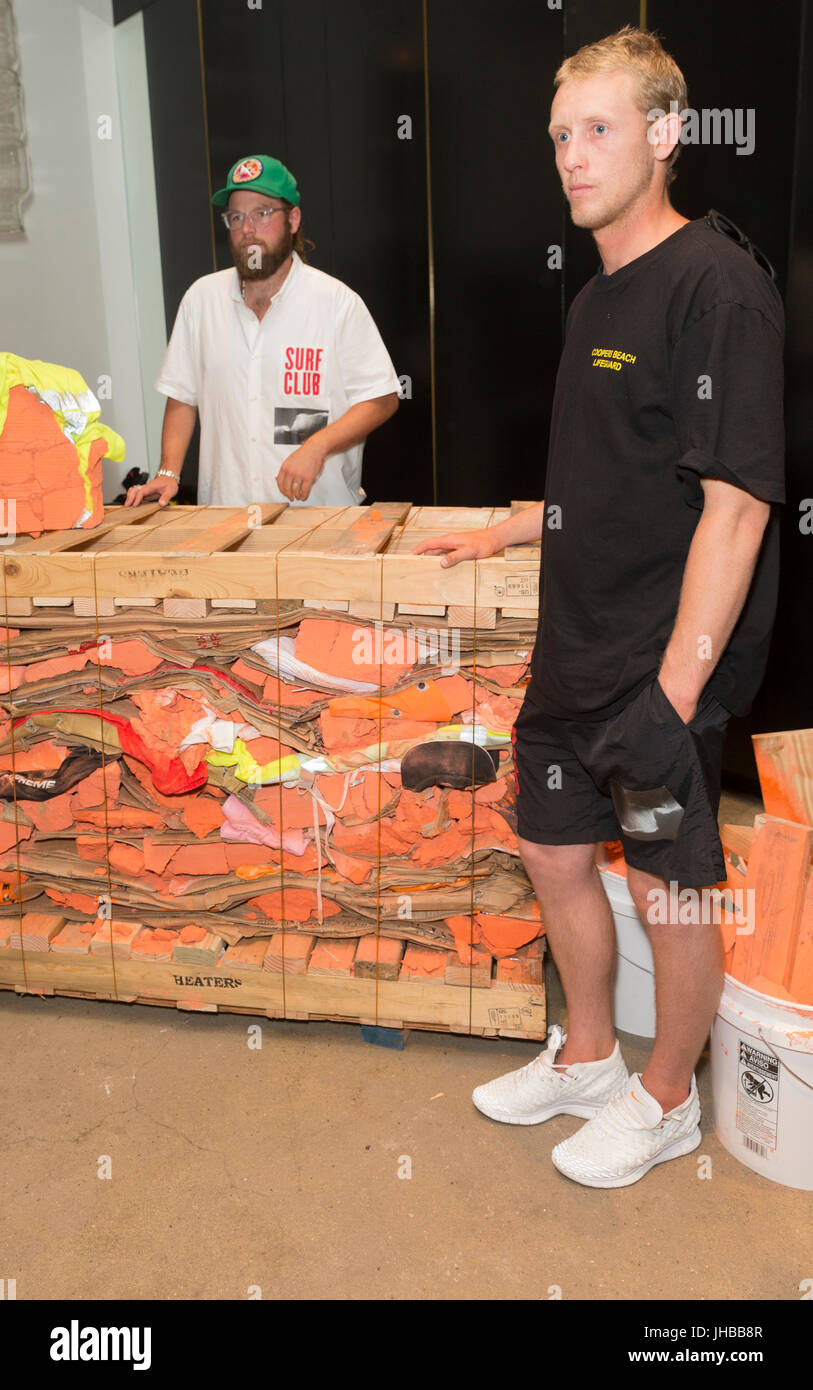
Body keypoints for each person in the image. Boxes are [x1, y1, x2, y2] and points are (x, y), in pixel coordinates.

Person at [414, 27, 784, 1188]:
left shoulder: (719, 289)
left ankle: (667, 1096)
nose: (573, 157)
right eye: (562, 136)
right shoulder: (598, 297)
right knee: (554, 848)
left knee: (673, 886)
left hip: (661, 659)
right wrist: (512, 525)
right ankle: (585, 1053)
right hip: (577, 645)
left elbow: (737, 510)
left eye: (601, 130)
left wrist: (675, 694)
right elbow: (604, 474)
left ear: (667, 135)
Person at [125, 154, 400, 509]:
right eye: (236, 217)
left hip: (319, 518)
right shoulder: (201, 300)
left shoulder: (335, 303)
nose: (248, 229)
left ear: (293, 219)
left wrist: (317, 446)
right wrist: (169, 472)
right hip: (226, 518)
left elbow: (381, 399)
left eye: (262, 213)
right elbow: (182, 396)